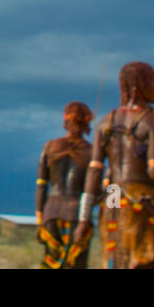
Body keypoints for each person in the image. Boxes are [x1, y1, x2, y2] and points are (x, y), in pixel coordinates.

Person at [74, 62, 154, 268]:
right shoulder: (152, 120)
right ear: (138, 85)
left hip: (111, 200)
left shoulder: (105, 122)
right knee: (149, 258)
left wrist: (83, 219)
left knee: (116, 259)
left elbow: (94, 171)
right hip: (140, 199)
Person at [35, 102, 94, 268]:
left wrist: (40, 221)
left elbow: (41, 186)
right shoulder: (92, 152)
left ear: (65, 121)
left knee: (52, 264)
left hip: (50, 214)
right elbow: (95, 190)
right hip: (77, 215)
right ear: (87, 122)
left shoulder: (49, 147)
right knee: (75, 264)